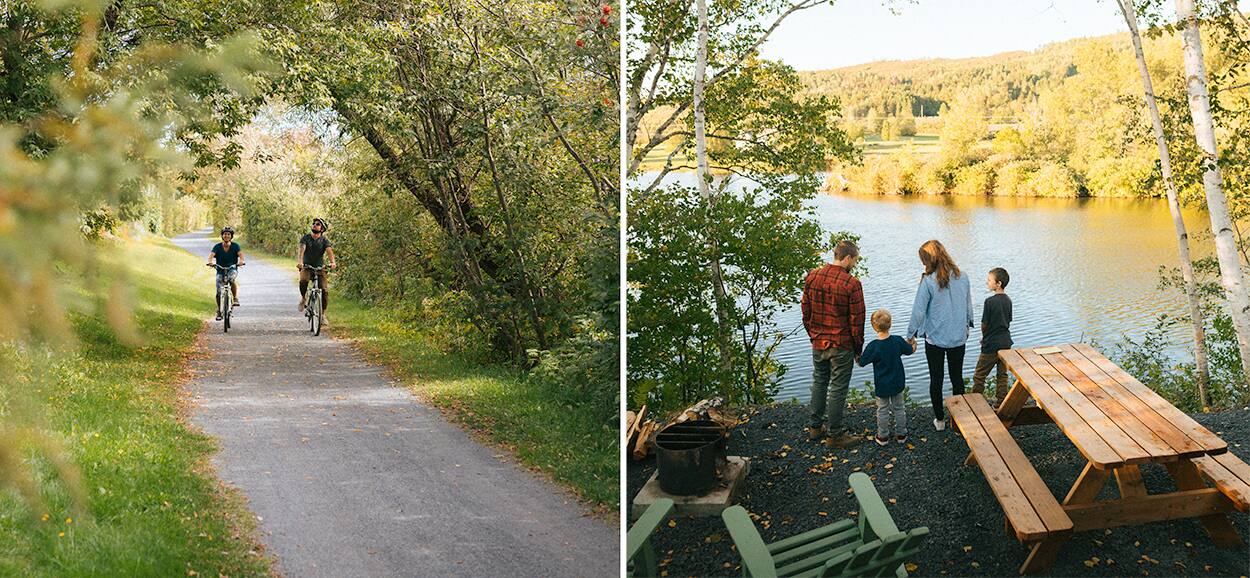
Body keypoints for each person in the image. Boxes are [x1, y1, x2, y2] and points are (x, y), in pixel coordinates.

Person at [801, 240, 865, 448]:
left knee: (819, 382)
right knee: (837, 388)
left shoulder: (812, 276)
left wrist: (813, 334)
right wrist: (858, 348)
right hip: (841, 344)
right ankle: (835, 435)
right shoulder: (851, 284)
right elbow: (857, 320)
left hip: (818, 341)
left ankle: (815, 427)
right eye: (854, 260)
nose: (854, 264)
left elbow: (805, 310)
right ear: (847, 258)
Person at [906, 239, 973, 432]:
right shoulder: (964, 276)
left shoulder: (928, 281)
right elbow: (968, 304)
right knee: (957, 378)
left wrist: (910, 335)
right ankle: (958, 420)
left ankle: (940, 420)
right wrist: (967, 325)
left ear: (928, 260)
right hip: (958, 337)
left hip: (935, 338)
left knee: (936, 378)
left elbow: (918, 311)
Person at [858, 309, 914, 445]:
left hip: (882, 384)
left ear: (873, 326)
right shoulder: (897, 341)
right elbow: (909, 350)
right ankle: (901, 434)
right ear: (890, 324)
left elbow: (862, 362)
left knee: (882, 409)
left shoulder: (873, 346)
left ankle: (883, 436)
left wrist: (856, 353)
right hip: (897, 382)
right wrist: (914, 343)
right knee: (899, 408)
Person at [972, 267, 1013, 405]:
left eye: (989, 280)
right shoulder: (1008, 300)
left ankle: (976, 402)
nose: (987, 283)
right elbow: (1008, 321)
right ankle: (1001, 402)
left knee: (979, 375)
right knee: (1002, 375)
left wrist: (984, 337)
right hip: (1006, 342)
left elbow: (985, 324)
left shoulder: (989, 302)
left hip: (991, 344)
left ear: (999, 283)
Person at [297, 217, 336, 323]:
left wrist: (332, 262)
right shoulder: (306, 238)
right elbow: (301, 250)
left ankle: (322, 314)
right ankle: (303, 298)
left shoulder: (324, 240)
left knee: (324, 290)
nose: (314, 225)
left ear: (322, 229)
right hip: (307, 266)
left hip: (320, 268)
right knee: (303, 280)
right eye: (314, 223)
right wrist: (300, 262)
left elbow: (329, 251)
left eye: (318, 224)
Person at [207, 226, 244, 320]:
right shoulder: (217, 246)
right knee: (219, 291)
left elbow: (240, 255)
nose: (226, 236)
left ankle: (235, 298)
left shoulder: (235, 246)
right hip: (220, 270)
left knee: (231, 279)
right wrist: (210, 262)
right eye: (224, 234)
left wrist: (241, 261)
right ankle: (219, 310)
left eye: (228, 234)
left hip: (232, 269)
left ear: (231, 236)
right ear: (222, 236)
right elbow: (211, 255)